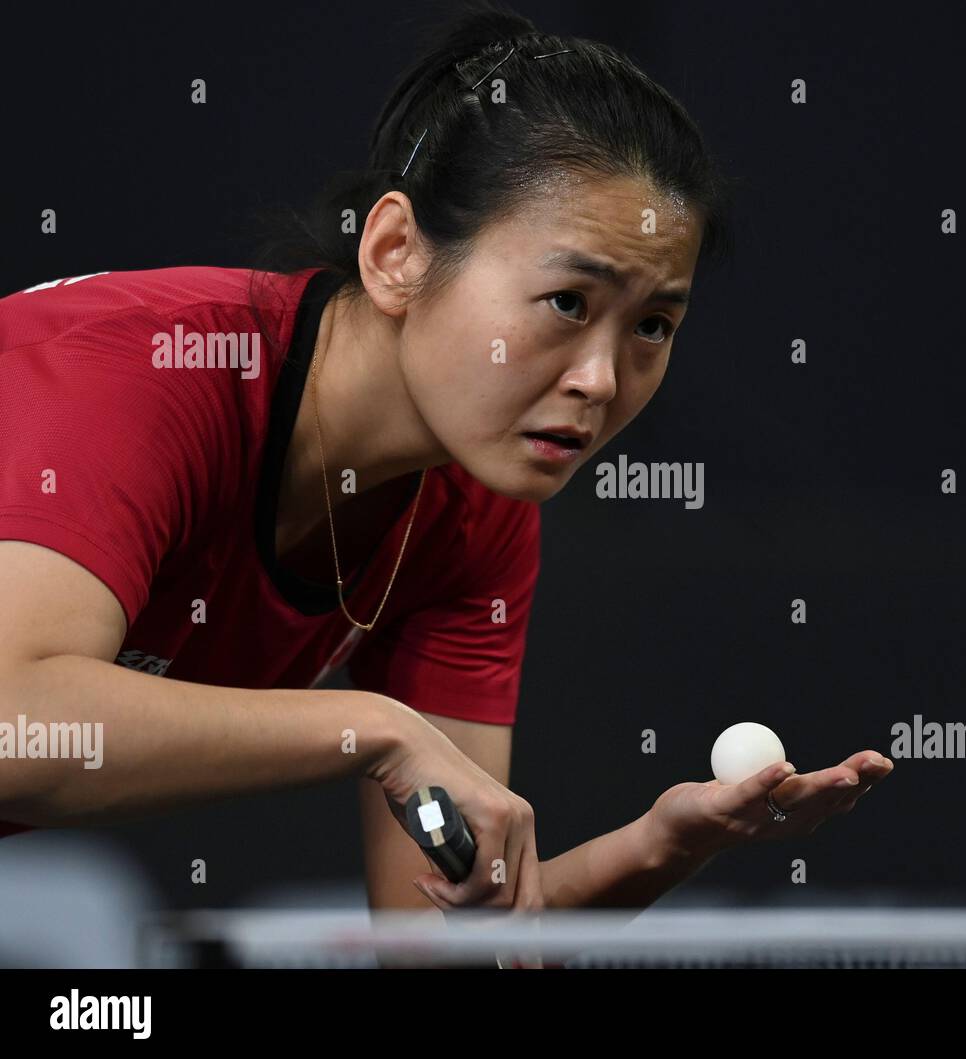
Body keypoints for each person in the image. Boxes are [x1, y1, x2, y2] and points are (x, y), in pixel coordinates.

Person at [0, 1, 892, 919]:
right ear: (394, 253)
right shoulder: (145, 375)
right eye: (568, 302)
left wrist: (666, 843)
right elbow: (11, 729)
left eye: (653, 326)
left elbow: (442, 936)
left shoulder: (473, 514)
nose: (599, 379)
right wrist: (375, 727)